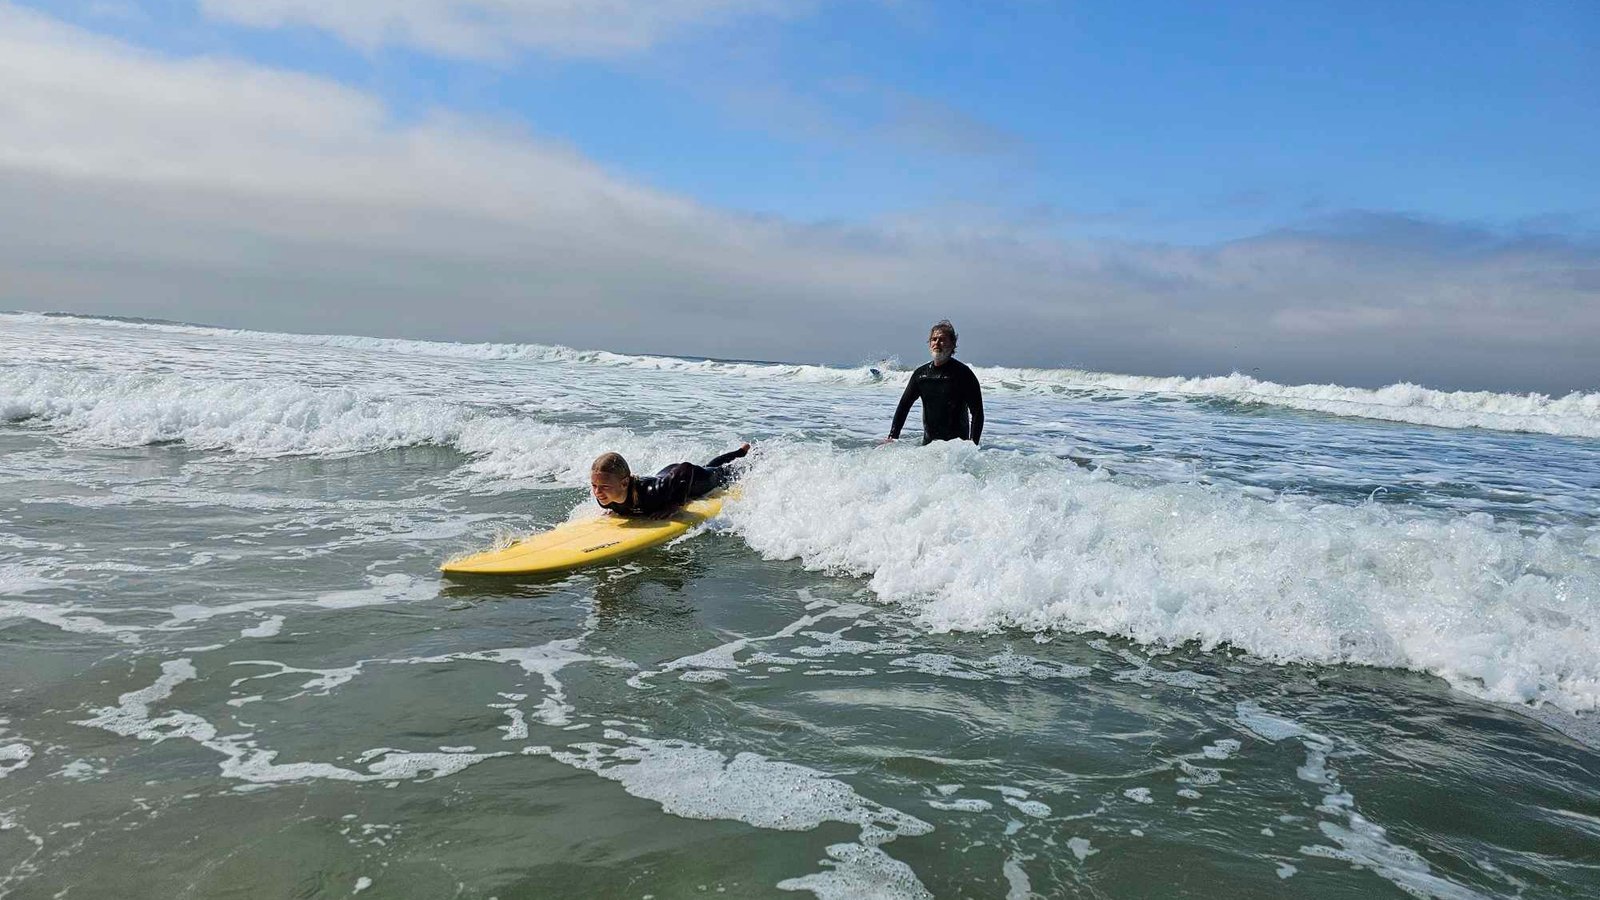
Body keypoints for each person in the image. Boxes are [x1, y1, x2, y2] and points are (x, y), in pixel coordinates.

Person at [885, 319, 984, 446]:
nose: (937, 342)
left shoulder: (963, 374)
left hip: (956, 448)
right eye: (934, 339)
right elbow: (904, 406)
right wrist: (892, 437)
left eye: (942, 339)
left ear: (952, 344)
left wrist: (972, 444)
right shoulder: (921, 375)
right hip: (929, 446)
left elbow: (977, 412)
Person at [589, 443, 751, 516]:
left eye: (603, 486)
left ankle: (752, 457)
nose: (597, 492)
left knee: (723, 473)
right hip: (669, 474)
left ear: (624, 483)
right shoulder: (606, 498)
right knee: (710, 466)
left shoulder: (651, 492)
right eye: (594, 485)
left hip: (696, 481)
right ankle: (740, 451)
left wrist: (676, 504)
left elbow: (686, 468)